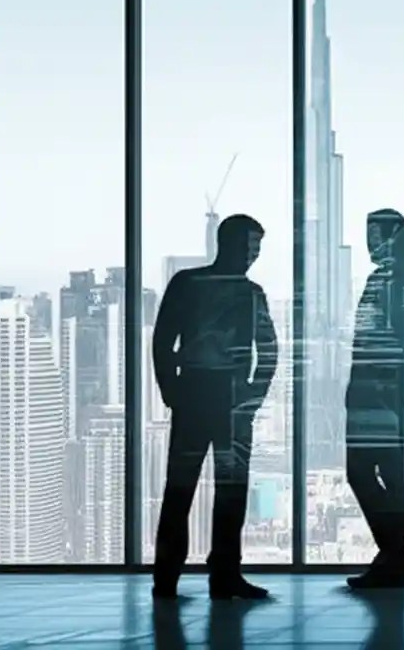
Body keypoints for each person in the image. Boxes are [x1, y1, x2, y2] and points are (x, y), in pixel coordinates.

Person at [152, 214, 277, 600]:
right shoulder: (243, 292)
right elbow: (268, 349)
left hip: (205, 396)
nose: (253, 255)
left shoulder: (191, 284)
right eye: (250, 246)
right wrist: (251, 397)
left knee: (197, 490)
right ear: (227, 244)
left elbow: (163, 342)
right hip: (222, 399)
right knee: (215, 490)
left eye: (257, 248)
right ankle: (217, 576)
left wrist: (173, 390)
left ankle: (176, 578)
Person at [345, 209, 404, 589]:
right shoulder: (376, 280)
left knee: (388, 473)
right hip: (366, 389)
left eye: (376, 236)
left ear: (395, 237)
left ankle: (392, 555)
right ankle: (395, 553)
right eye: (367, 235)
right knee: (366, 471)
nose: (369, 244)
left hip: (388, 392)